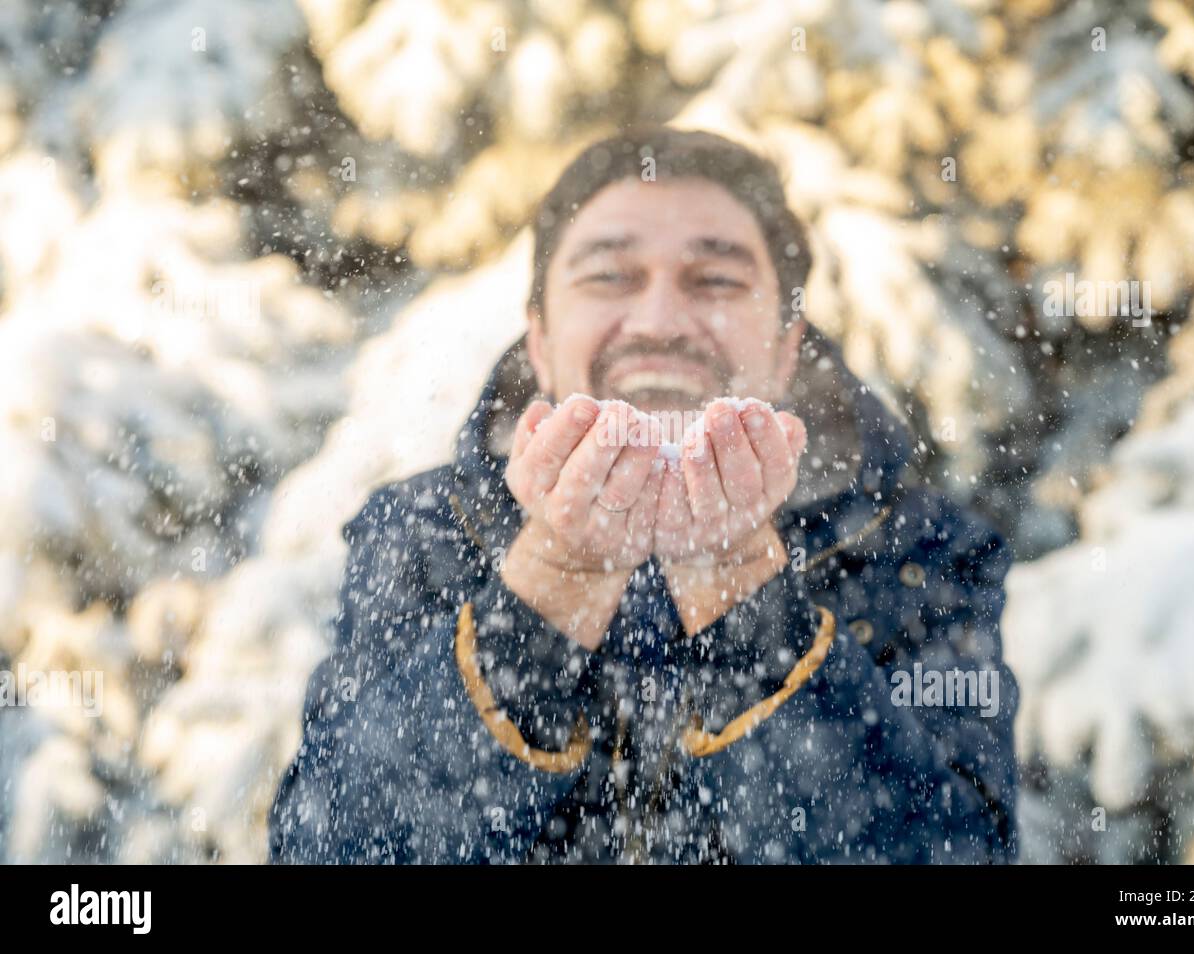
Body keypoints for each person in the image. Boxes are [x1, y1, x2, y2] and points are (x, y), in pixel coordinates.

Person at [267, 125, 1019, 864]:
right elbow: (331, 847)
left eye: (716, 280)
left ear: (788, 346)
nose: (660, 322)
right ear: (541, 340)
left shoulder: (916, 547)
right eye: (609, 277)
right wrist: (556, 579)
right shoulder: (427, 531)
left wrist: (739, 587)